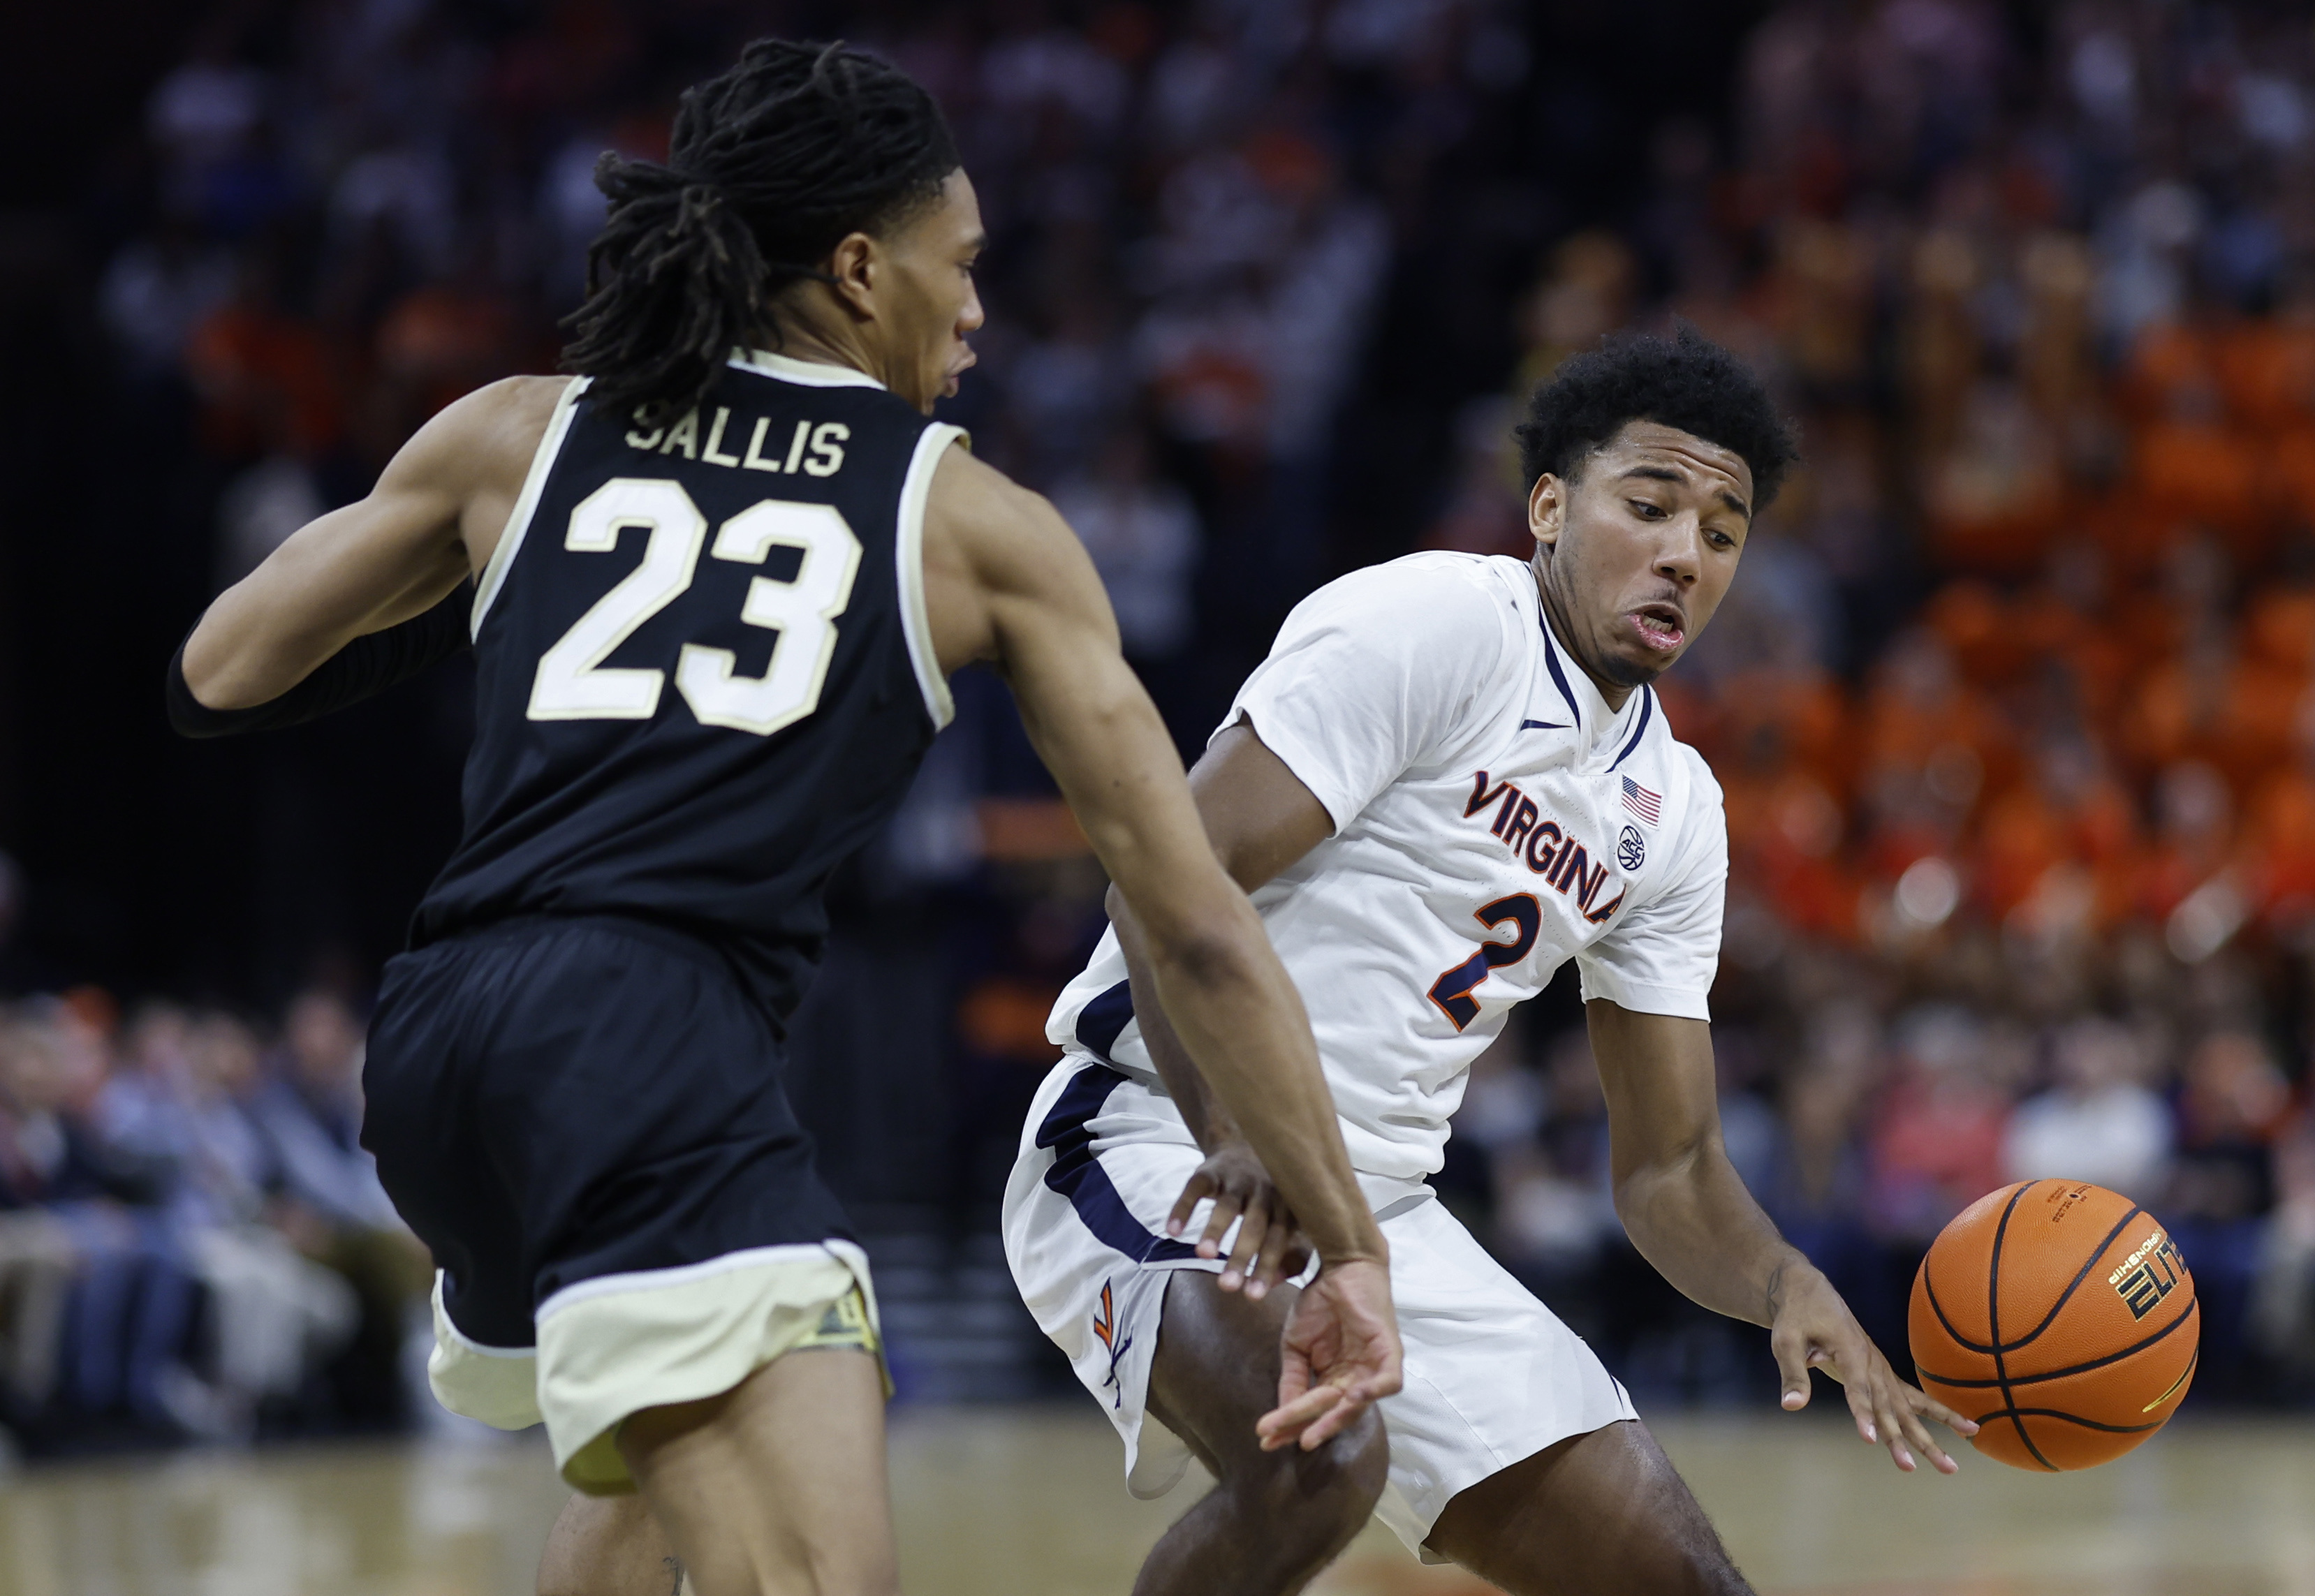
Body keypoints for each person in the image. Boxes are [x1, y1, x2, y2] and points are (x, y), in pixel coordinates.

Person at [168, 40, 1399, 1596]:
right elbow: (1195, 925)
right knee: (818, 1565)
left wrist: (500, 570)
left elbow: (225, 666)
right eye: (957, 269)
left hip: (439, 1046)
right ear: (857, 266)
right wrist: (1347, 1240)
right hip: (645, 1039)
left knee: (652, 1476)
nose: (974, 311)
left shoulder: (516, 430)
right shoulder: (973, 522)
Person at [1001, 327, 1980, 1596]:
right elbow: (1164, 876)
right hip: (1161, 1135)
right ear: (1548, 506)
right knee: (1320, 1459)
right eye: (1650, 505)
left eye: (1724, 532)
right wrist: (1238, 1126)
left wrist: (1791, 1282)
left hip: (1383, 1210)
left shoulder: (1672, 807)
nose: (1686, 552)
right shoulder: (1439, 621)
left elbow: (1670, 1168)